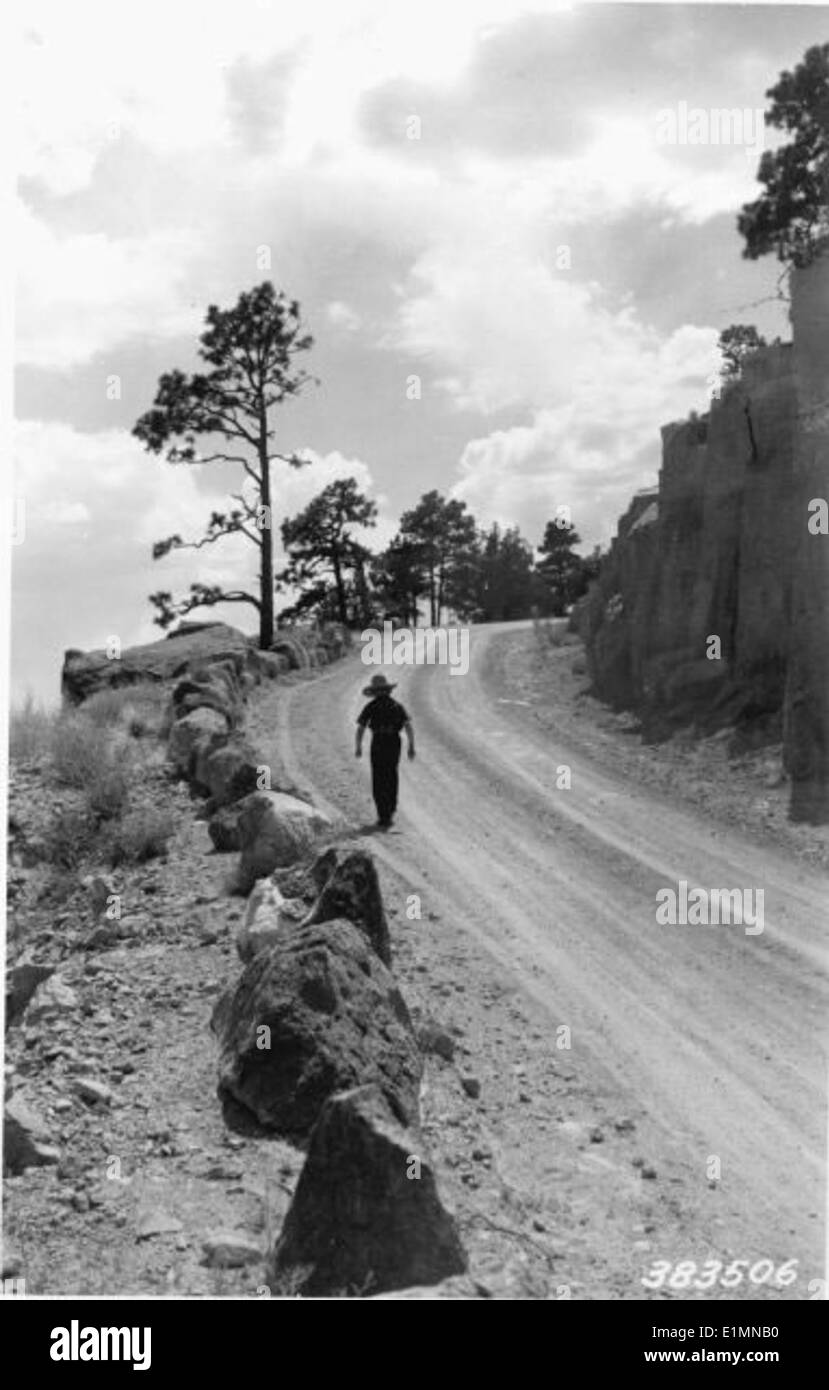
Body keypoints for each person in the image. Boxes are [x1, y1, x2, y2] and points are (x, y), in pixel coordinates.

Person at [355, 673, 415, 829]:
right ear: (387, 690)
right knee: (391, 775)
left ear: (375, 692)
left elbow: (361, 728)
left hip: (379, 742)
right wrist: (411, 745)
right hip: (393, 742)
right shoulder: (397, 706)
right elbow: (408, 725)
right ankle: (390, 810)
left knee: (379, 777)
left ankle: (383, 815)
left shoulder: (371, 706)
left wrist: (358, 746)